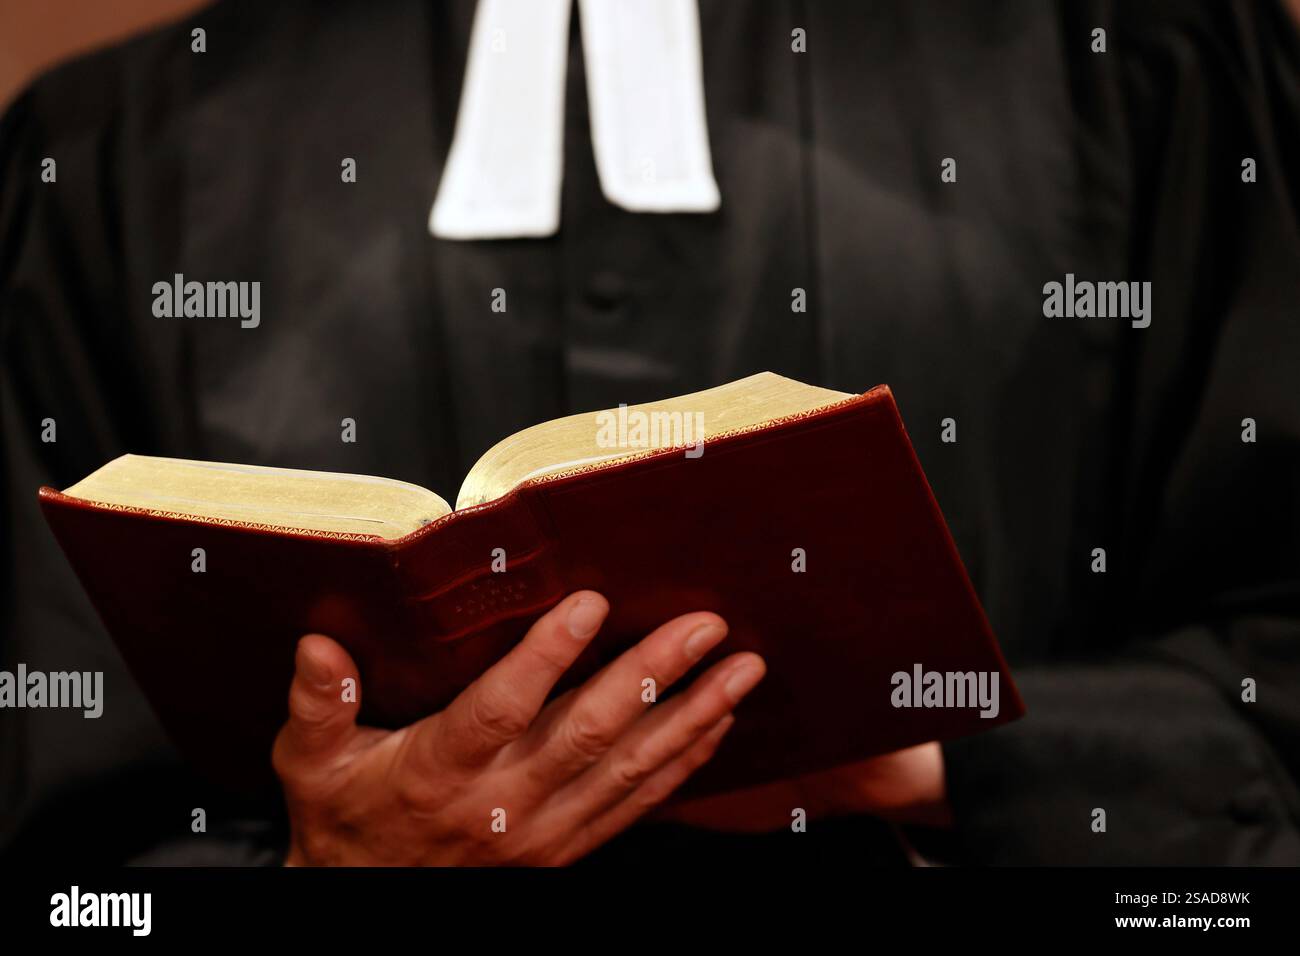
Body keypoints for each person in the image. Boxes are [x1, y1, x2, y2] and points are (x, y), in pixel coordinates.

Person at [3, 0, 1299, 866]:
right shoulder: (117, 155)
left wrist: (932, 757)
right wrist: (323, 862)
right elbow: (56, 829)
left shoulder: (1138, 66)